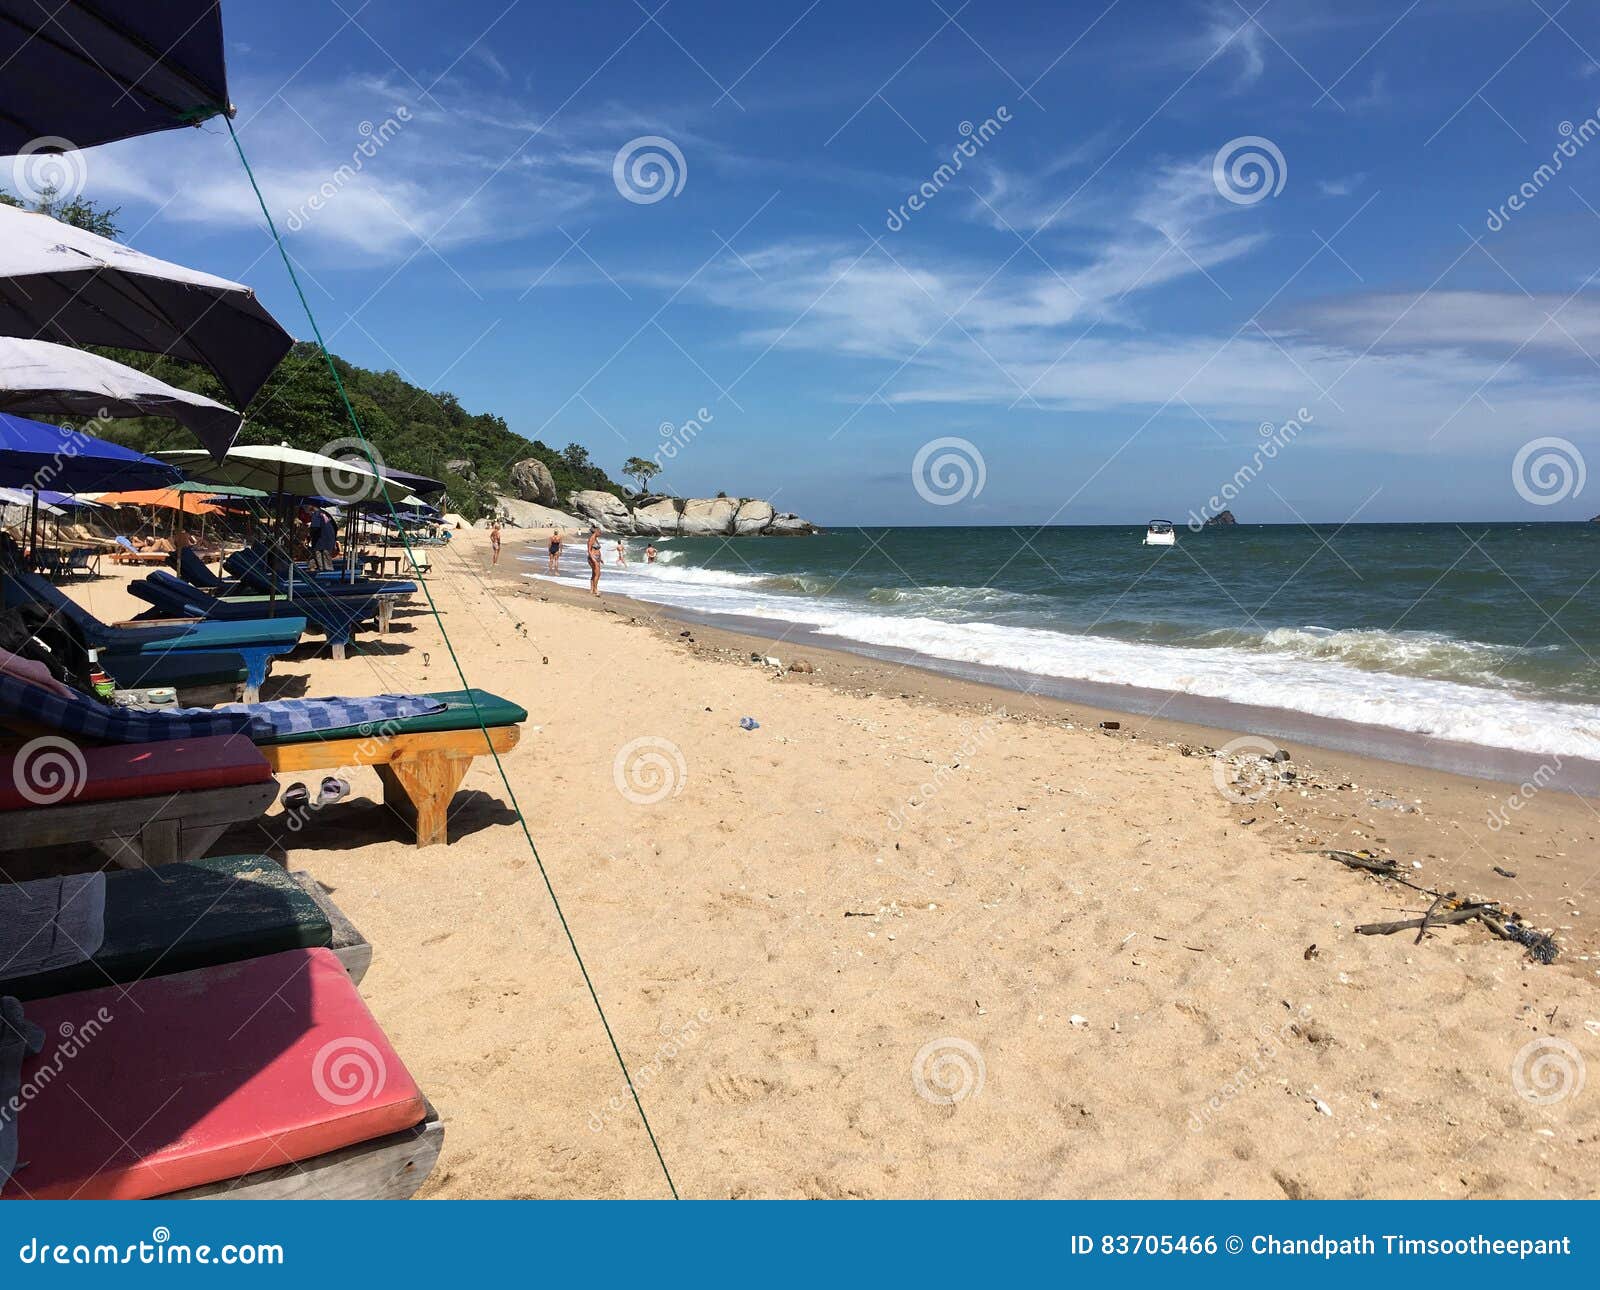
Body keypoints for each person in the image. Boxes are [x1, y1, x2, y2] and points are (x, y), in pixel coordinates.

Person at [309, 507, 337, 572]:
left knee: (319, 555)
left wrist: (310, 534)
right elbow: (335, 526)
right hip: (329, 539)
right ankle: (328, 570)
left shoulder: (316, 514)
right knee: (326, 556)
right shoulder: (326, 513)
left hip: (320, 540)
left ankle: (323, 572)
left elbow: (315, 528)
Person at [586, 526, 603, 596]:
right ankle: (596, 590)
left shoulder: (595, 538)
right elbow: (589, 550)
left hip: (597, 558)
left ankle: (592, 589)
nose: (600, 533)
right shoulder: (592, 539)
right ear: (596, 531)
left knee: (594, 574)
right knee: (597, 574)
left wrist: (600, 558)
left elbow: (597, 549)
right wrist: (593, 559)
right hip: (593, 557)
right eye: (599, 532)